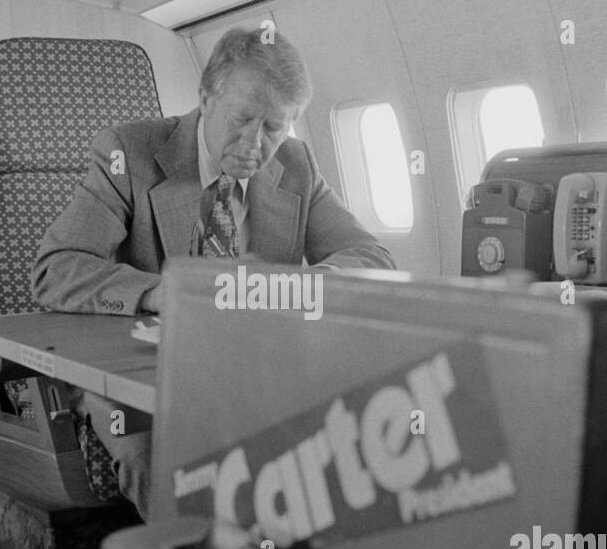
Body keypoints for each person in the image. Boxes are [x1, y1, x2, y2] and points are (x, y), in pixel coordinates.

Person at [32, 25, 395, 518]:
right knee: (163, 467)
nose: (253, 144)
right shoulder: (127, 153)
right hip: (135, 381)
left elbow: (372, 257)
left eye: (274, 127)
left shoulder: (297, 164)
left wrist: (294, 285)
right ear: (206, 97)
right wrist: (168, 293)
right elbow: (56, 268)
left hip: (254, 374)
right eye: (242, 119)